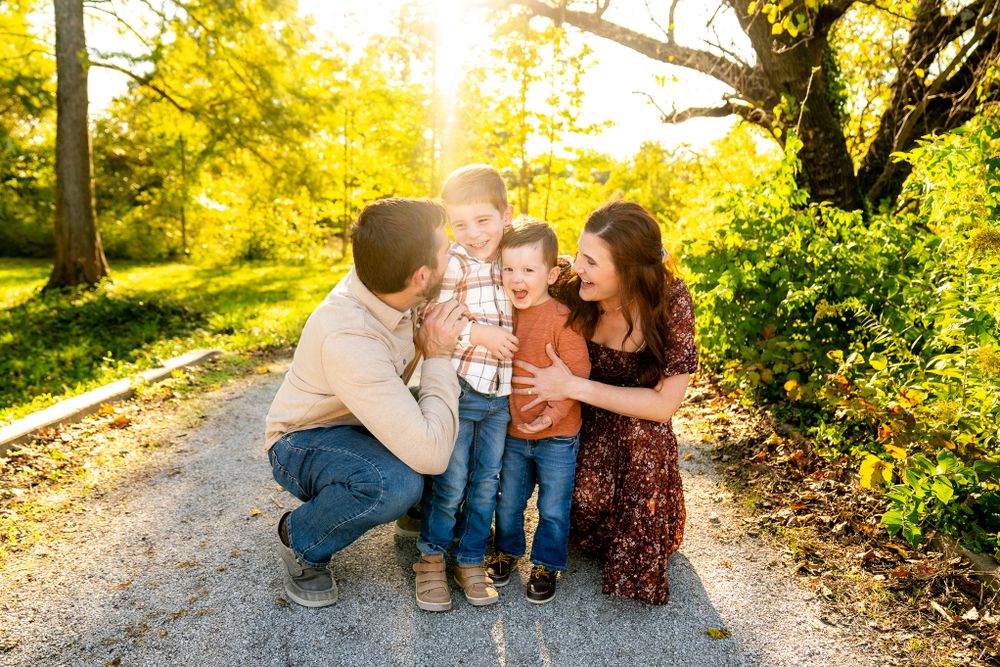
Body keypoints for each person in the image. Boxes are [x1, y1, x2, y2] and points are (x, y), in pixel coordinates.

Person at [264, 197, 468, 608]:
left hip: (363, 419)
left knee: (464, 405)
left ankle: (420, 509)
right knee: (393, 482)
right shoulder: (349, 336)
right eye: (447, 249)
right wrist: (439, 355)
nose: (456, 253)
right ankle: (301, 540)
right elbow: (430, 455)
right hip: (304, 440)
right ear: (421, 275)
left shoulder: (387, 278)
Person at [512, 200, 698, 605]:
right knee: (577, 507)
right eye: (579, 253)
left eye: (591, 261)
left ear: (629, 272)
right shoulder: (567, 284)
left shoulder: (670, 301)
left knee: (644, 430)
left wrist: (574, 386)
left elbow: (664, 405)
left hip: (634, 424)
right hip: (577, 420)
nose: (578, 265)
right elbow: (512, 271)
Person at [412, 164, 517, 612]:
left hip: (501, 395)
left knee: (486, 483)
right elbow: (431, 318)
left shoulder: (511, 255)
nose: (473, 233)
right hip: (462, 387)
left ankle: (470, 558)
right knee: (452, 481)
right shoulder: (454, 262)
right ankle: (431, 559)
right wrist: (480, 335)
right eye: (460, 223)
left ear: (506, 214)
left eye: (483, 220)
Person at [486, 220, 591, 604]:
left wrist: (551, 416)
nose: (517, 278)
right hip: (514, 433)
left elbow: (578, 374)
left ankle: (547, 562)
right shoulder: (501, 313)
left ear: (550, 274)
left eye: (528, 270)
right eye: (509, 268)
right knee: (508, 500)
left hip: (558, 435)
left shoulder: (564, 319)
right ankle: (507, 550)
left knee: (553, 505)